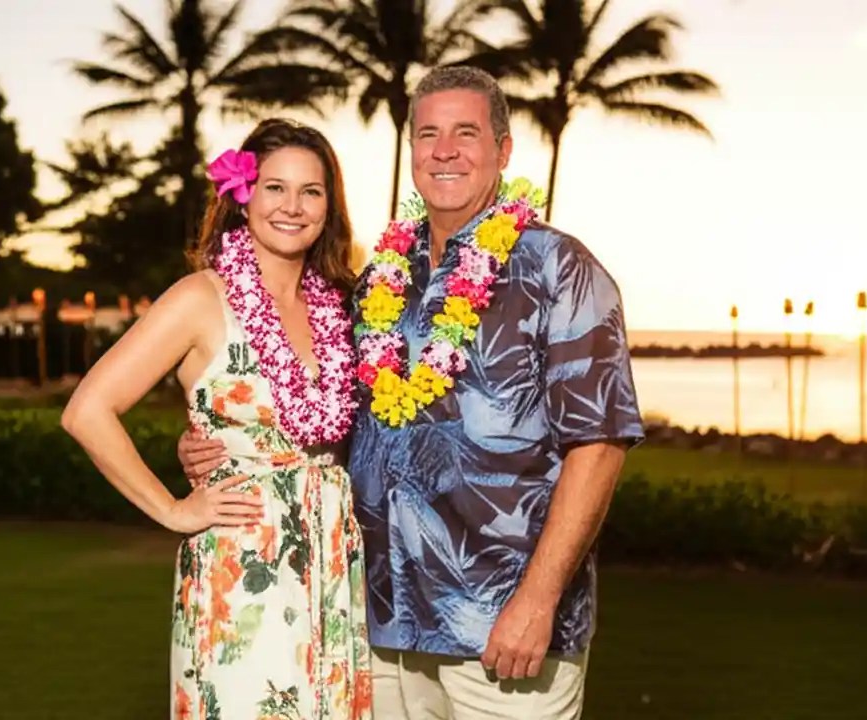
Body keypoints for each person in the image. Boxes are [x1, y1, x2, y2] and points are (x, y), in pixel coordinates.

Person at [179, 67, 644, 720]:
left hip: (503, 629)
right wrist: (217, 440)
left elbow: (598, 444)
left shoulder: (557, 267)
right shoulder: (380, 281)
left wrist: (538, 600)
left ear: (503, 151)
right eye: (428, 134)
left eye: (466, 133)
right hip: (379, 627)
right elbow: (320, 410)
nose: (444, 150)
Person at [62, 118, 373, 720]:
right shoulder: (200, 299)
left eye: (311, 191)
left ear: (328, 206)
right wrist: (174, 510)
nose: (293, 206)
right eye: (275, 187)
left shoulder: (339, 303)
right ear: (243, 195)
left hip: (332, 566)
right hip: (242, 564)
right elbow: (88, 411)